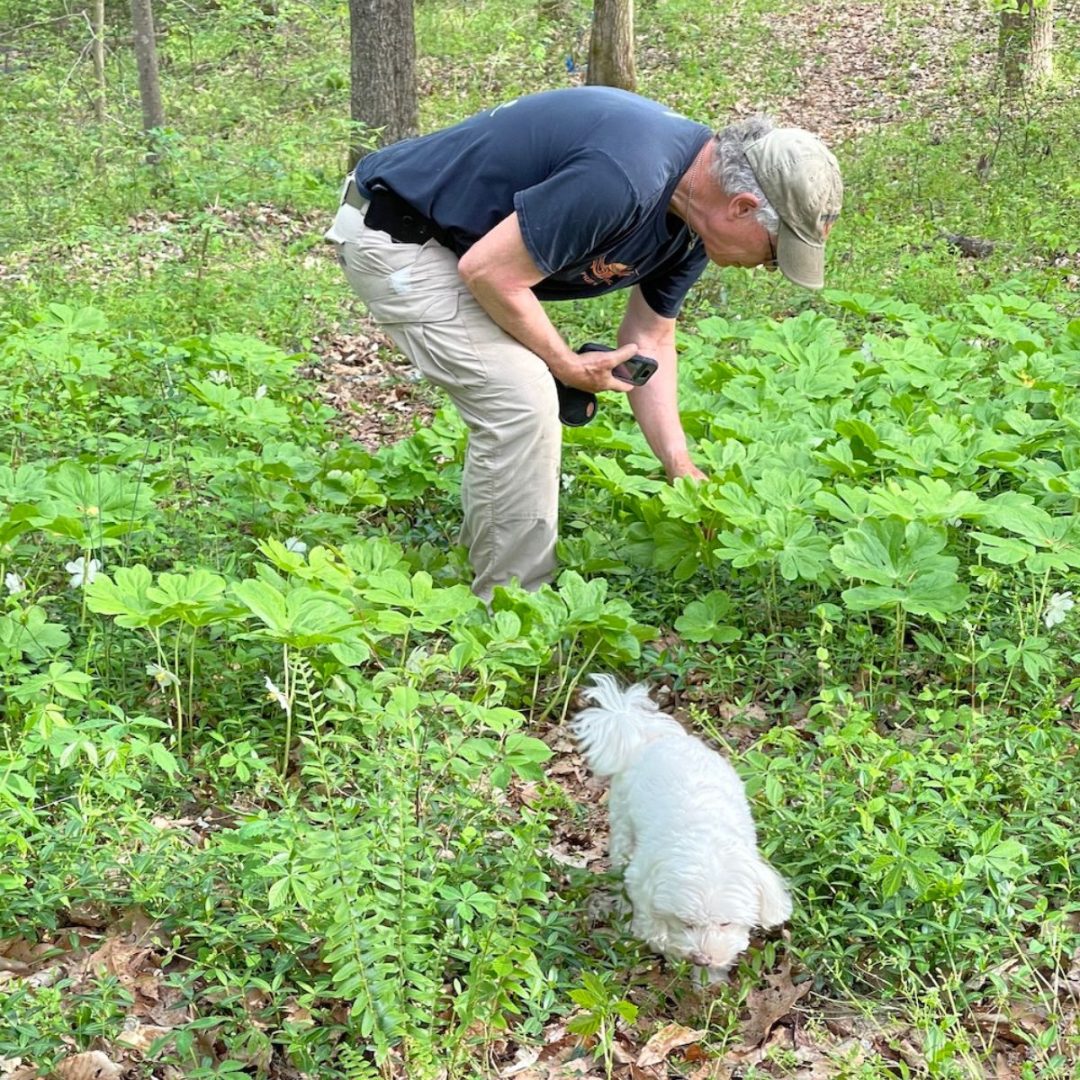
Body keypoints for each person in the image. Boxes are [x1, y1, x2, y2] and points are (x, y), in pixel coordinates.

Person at [325, 87, 842, 601]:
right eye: (775, 253)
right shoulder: (624, 177)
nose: (769, 268)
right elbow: (490, 273)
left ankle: (486, 559)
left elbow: (651, 335)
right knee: (522, 398)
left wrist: (678, 462)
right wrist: (565, 364)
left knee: (524, 389)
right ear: (743, 207)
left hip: (472, 253)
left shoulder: (694, 218)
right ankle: (511, 609)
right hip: (400, 235)